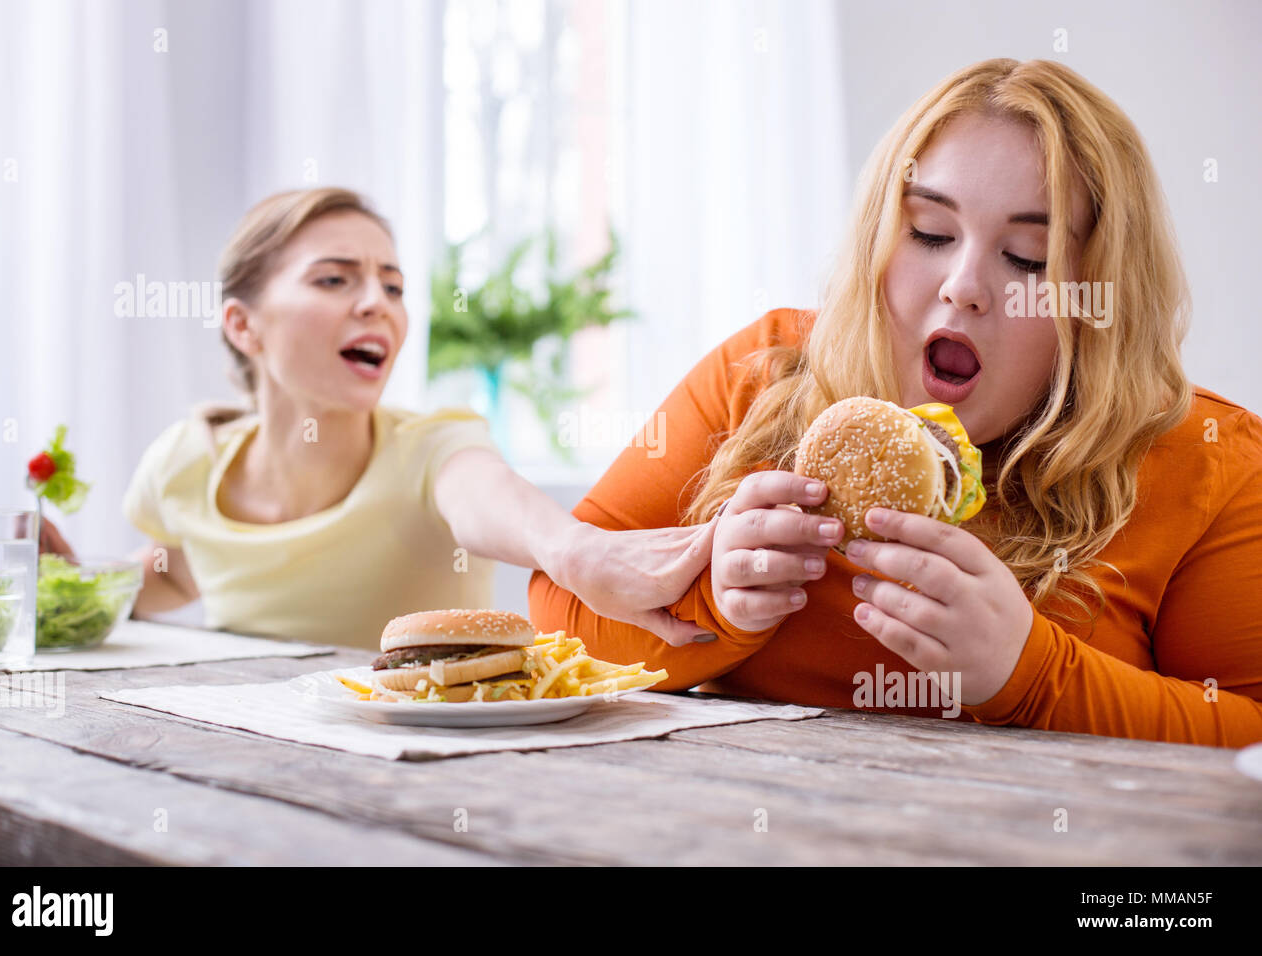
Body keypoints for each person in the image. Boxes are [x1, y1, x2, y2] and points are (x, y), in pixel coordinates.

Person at [529, 58, 1262, 748]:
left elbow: (1249, 735)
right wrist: (712, 607)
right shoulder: (760, 378)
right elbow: (558, 616)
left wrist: (1032, 675)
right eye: (930, 233)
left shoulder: (1208, 459)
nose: (963, 285)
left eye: (1029, 258)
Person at [46, 188, 716, 648]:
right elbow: (180, 570)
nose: (378, 304)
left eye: (392, 285)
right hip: (251, 765)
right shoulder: (186, 459)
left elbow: (486, 498)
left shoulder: (433, 447)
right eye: (334, 279)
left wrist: (575, 551)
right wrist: (68, 590)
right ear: (243, 326)